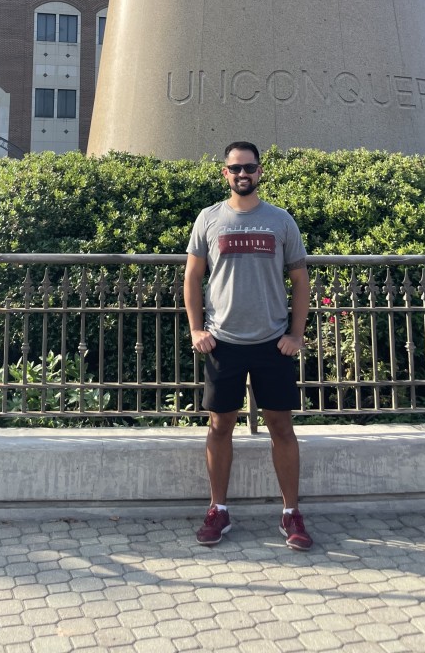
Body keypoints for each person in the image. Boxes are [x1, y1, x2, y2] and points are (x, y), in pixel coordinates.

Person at [184, 140, 312, 550]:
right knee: (220, 426)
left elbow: (300, 280)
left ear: (260, 172)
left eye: (250, 167)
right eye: (235, 168)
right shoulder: (209, 219)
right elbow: (192, 278)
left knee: (281, 427)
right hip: (223, 342)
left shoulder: (280, 220)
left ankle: (291, 513)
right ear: (225, 173)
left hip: (273, 343)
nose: (243, 174)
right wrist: (196, 328)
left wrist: (294, 334)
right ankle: (217, 510)